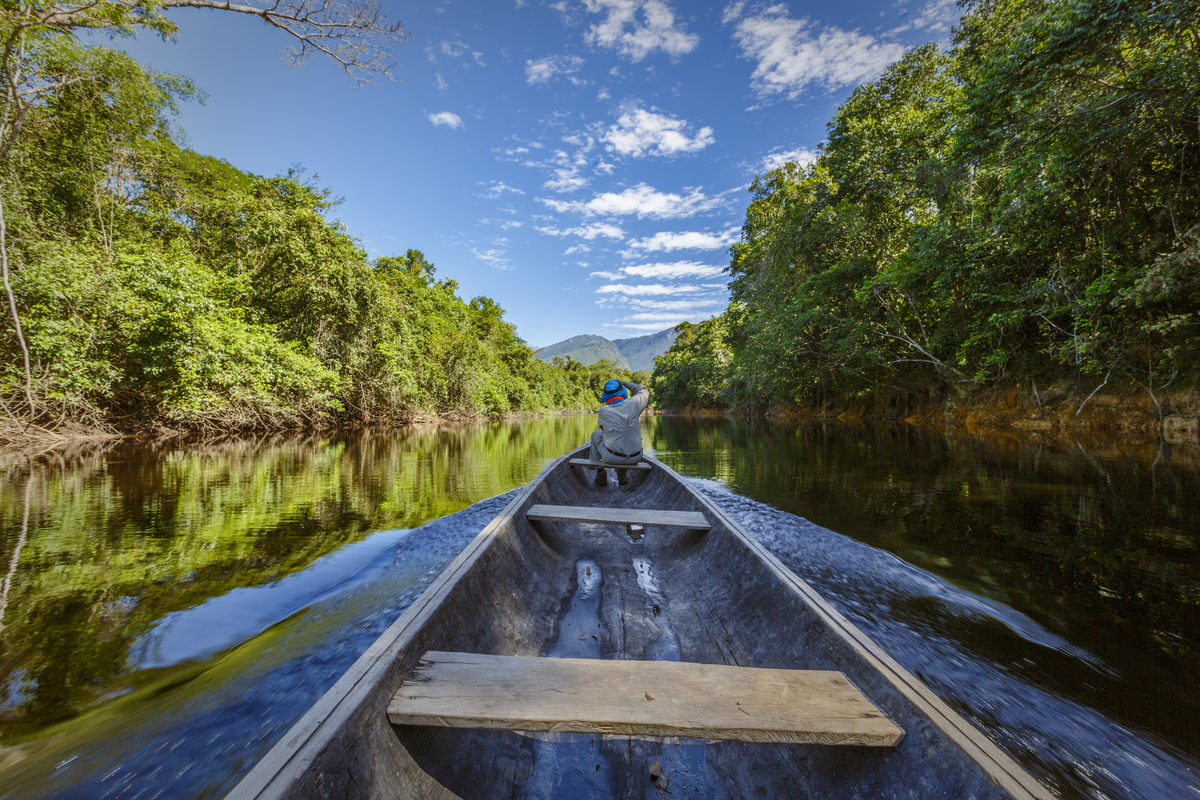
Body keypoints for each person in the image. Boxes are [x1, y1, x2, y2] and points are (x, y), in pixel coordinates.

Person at [589, 378, 650, 486]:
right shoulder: (634, 404)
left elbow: (604, 432)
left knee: (596, 434)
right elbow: (644, 390)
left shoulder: (603, 411)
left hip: (613, 458)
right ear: (622, 391)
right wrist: (626, 383)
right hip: (636, 457)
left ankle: (600, 472)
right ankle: (622, 473)